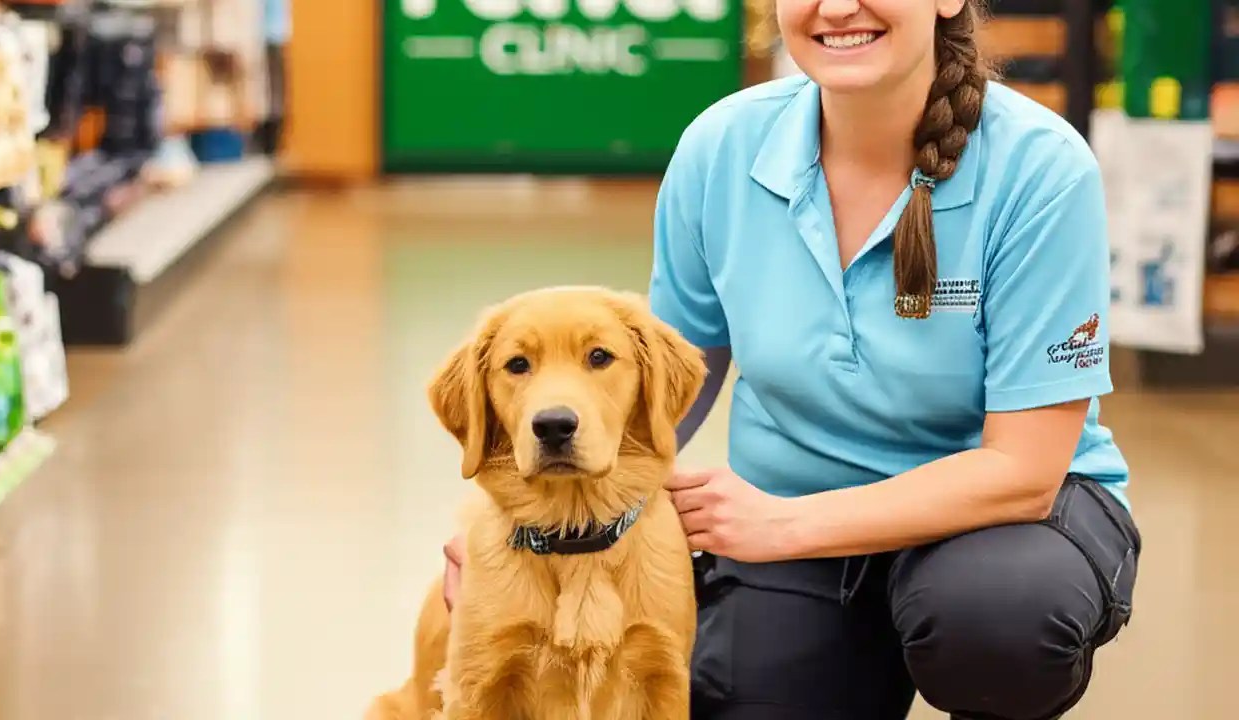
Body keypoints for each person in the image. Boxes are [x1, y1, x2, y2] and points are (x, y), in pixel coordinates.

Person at [443, 1, 1142, 718]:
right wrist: (518, 538)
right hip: (791, 527)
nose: (837, 8)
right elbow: (647, 398)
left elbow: (1023, 474)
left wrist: (780, 527)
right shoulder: (722, 147)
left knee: (998, 623)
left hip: (998, 528)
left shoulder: (1041, 171)